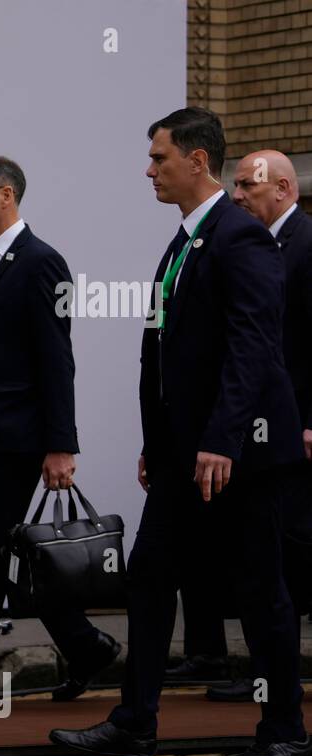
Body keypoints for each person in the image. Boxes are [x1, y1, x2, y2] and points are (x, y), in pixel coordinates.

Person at [51, 108, 311, 756]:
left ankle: (285, 731)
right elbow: (163, 352)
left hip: (240, 455)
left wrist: (222, 439)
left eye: (160, 158)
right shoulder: (184, 242)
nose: (150, 169)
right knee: (148, 580)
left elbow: (252, 347)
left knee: (260, 590)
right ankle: (136, 725)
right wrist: (157, 442)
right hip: (182, 455)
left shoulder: (239, 237)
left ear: (198, 161)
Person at [0, 156, 119, 700]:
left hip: (19, 438)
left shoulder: (43, 263)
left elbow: (56, 359)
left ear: (7, 195)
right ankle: (86, 645)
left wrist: (60, 446)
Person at [177, 150, 312, 703]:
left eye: (247, 186)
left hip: (291, 431)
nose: (236, 195)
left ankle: (275, 688)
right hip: (256, 428)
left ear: (282, 187)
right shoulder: (253, 242)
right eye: (233, 185)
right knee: (263, 560)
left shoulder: (305, 242)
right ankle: (258, 674)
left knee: (289, 557)